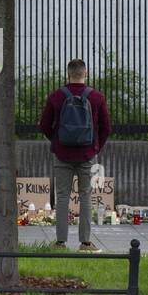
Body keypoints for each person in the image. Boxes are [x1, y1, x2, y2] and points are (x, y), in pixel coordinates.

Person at [40, 58, 112, 251]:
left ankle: (60, 242)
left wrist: (57, 141)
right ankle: (85, 242)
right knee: (86, 196)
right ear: (85, 73)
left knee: (62, 196)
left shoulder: (56, 96)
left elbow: (44, 125)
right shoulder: (96, 97)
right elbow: (106, 127)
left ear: (68, 74)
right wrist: (96, 146)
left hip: (62, 154)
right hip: (88, 155)